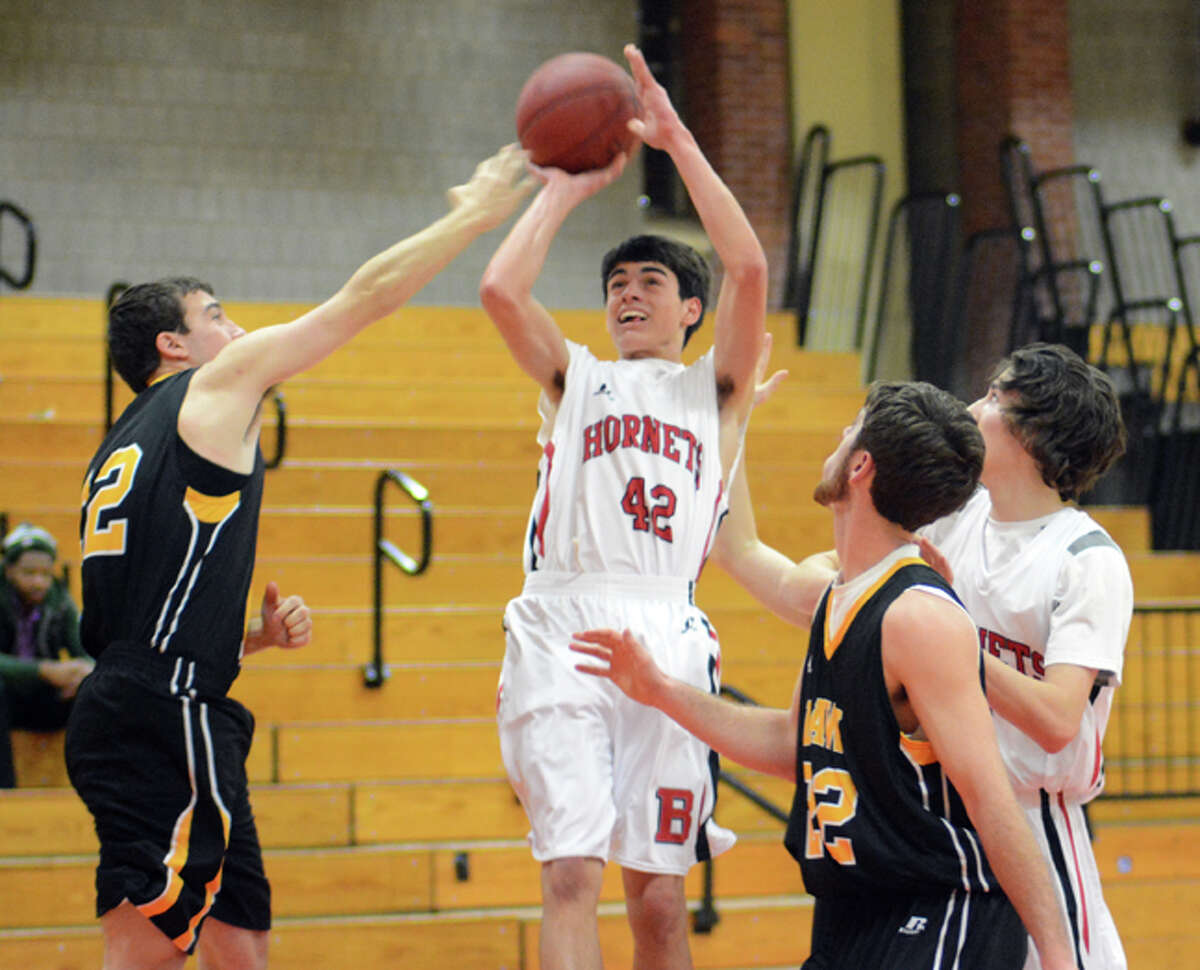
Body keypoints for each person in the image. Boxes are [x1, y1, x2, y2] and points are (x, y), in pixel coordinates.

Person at [64, 145, 532, 970]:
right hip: (166, 714)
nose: (238, 329)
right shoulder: (210, 389)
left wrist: (246, 638)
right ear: (174, 345)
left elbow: (134, 620)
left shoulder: (119, 449)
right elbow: (361, 301)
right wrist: (473, 217)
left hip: (158, 700)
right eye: (217, 315)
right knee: (145, 951)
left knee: (241, 942)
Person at [571, 380, 1076, 970]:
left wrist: (1059, 955)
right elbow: (791, 745)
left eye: (850, 428)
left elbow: (992, 801)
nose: (838, 437)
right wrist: (658, 690)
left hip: (939, 909)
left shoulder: (917, 616)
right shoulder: (842, 597)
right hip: (853, 912)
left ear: (861, 466)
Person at [478, 43, 767, 970]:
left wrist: (678, 143)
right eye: (615, 286)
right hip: (565, 621)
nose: (626, 295)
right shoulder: (579, 379)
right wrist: (562, 186)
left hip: (668, 633)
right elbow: (498, 290)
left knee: (661, 902)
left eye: (648, 283)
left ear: (691, 310)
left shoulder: (714, 391)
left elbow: (750, 268)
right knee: (570, 875)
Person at [715, 342, 1131, 970]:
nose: (973, 405)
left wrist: (938, 634)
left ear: (1036, 436)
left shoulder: (1086, 560)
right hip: (936, 818)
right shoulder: (956, 518)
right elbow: (819, 581)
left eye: (994, 396)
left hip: (1032, 822)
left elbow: (1055, 721)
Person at [0, 522, 93, 788]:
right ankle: (5, 792)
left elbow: (84, 652)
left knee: (95, 691)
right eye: (29, 573)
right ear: (9, 570)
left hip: (45, 697)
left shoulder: (59, 599)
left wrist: (82, 675)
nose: (38, 582)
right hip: (9, 699)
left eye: (45, 573)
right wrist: (44, 670)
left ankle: (90, 788)